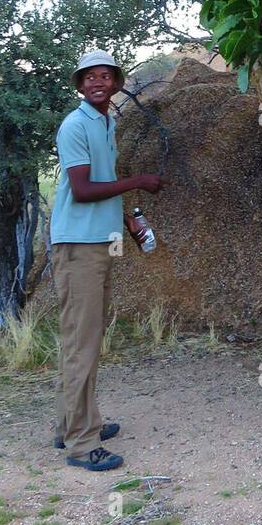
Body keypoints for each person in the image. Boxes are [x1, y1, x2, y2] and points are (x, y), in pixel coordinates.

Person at [49, 50, 164, 472]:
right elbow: (82, 189)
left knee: (81, 340)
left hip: (98, 240)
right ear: (80, 85)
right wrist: (138, 181)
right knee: (83, 344)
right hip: (79, 245)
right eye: (89, 78)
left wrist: (129, 218)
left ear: (116, 83)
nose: (98, 83)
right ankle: (82, 444)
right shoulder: (76, 125)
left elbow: (104, 184)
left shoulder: (106, 123)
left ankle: (71, 425)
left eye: (106, 76)